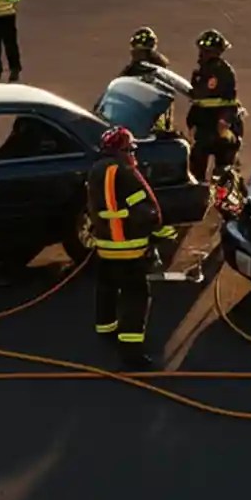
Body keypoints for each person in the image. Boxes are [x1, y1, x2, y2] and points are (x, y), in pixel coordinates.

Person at [87, 126, 177, 370]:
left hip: (104, 246)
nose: (133, 154)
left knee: (106, 289)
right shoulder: (126, 172)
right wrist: (161, 231)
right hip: (130, 248)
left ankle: (105, 328)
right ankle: (131, 352)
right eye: (131, 149)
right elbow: (146, 209)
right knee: (135, 296)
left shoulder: (96, 171)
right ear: (124, 150)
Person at [185, 29, 244, 182]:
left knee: (222, 167)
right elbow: (197, 101)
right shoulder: (209, 71)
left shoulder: (215, 72)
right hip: (210, 126)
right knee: (203, 166)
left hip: (218, 126)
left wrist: (224, 124)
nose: (200, 55)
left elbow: (225, 102)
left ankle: (222, 193)